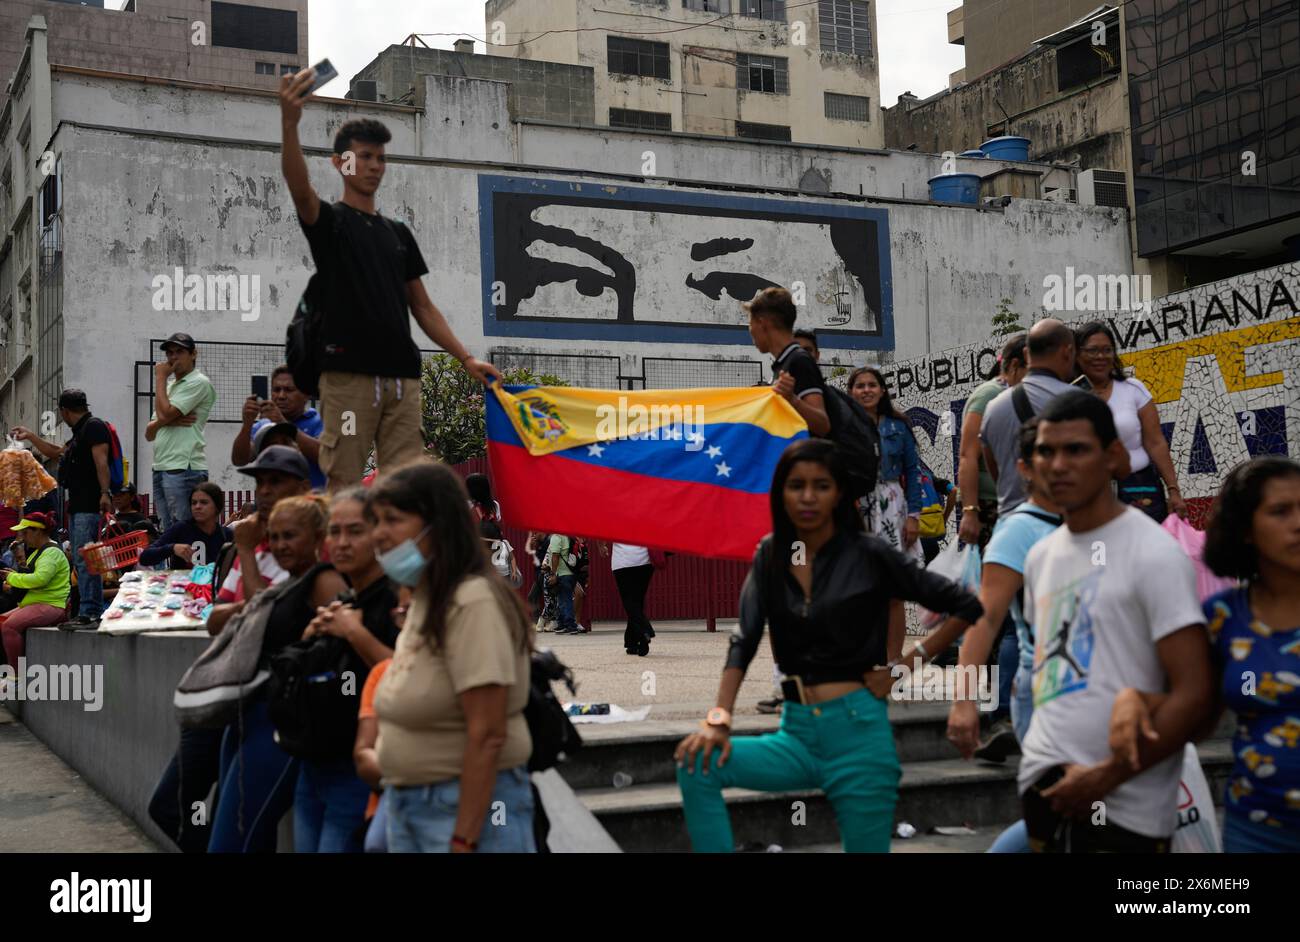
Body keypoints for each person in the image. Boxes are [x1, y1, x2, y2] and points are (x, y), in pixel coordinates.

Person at [674, 439, 983, 852]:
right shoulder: (771, 555)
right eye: (795, 485)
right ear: (780, 492)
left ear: (838, 493)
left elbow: (966, 604)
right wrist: (718, 717)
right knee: (698, 765)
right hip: (796, 733)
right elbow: (743, 639)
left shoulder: (869, 554)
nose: (807, 496)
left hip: (859, 736)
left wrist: (902, 667)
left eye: (821, 485)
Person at [279, 69, 500, 492]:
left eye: (380, 157)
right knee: (343, 482)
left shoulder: (397, 233)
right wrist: (290, 122)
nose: (375, 166)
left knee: (403, 488)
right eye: (364, 156)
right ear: (340, 161)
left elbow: (423, 307)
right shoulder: (330, 223)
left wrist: (465, 357)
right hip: (346, 377)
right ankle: (343, 559)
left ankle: (395, 561)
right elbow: (298, 184)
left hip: (403, 377)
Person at [1015, 390, 1212, 853]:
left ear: (1114, 458)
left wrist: (1106, 774)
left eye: (1076, 450)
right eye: (1046, 451)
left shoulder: (1154, 554)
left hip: (1126, 806)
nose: (1058, 464)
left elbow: (1196, 693)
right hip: (1045, 790)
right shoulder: (1040, 555)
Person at [1115, 456, 1300, 852]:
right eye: (1281, 512)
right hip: (1256, 828)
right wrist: (1137, 701)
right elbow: (1197, 712)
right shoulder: (1226, 616)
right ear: (1246, 530)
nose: (1298, 523)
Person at [368, 462, 536, 853]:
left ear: (438, 526)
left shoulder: (471, 601)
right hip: (412, 805)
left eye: (393, 520)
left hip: (458, 812)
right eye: (376, 521)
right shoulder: (426, 598)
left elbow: (488, 732)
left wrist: (464, 838)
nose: (379, 534)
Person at [147, 450, 310, 854]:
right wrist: (252, 603)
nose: (266, 491)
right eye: (261, 483)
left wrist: (251, 592)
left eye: (277, 481)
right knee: (172, 806)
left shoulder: (298, 551)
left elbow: (267, 622)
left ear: (305, 490)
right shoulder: (247, 543)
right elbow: (216, 617)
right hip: (225, 694)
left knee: (240, 829)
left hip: (269, 700)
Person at [207, 495, 347, 853]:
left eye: (291, 536)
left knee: (233, 842)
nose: (282, 545)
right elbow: (219, 618)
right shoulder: (287, 586)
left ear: (318, 537)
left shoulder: (324, 582)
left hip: (285, 726)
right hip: (251, 714)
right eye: (277, 536)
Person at [294, 488, 401, 853]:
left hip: (356, 770)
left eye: (355, 531)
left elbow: (407, 677)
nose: (341, 542)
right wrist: (311, 638)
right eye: (334, 532)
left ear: (380, 534)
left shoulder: (397, 601)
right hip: (313, 764)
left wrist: (354, 633)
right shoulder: (343, 600)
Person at [12, 389, 114, 629]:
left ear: (64, 411)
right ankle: (89, 611)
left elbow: (102, 461)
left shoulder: (94, 427)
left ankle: (91, 612)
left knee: (85, 559)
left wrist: (104, 493)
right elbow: (57, 453)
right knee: (84, 558)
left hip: (89, 504)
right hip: (79, 504)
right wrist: (32, 437)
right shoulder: (80, 433)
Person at [1072, 321, 1186, 523]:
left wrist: (1173, 490)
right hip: (1090, 493)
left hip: (1140, 490)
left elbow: (1155, 442)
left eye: (1107, 350)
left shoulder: (1133, 389)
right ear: (1077, 354)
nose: (1100, 357)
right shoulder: (1068, 396)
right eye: (1092, 350)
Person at [980, 319, 1079, 516]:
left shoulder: (993, 408)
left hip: (1012, 520)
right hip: (1063, 521)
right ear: (1067, 352)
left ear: (1027, 353)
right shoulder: (1080, 401)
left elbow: (994, 466)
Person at [957, 332, 1027, 548]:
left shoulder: (1020, 396)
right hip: (988, 506)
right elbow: (968, 455)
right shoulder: (990, 395)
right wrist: (970, 512)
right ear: (1015, 365)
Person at [145, 333, 217, 532]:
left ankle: (192, 566)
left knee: (185, 531)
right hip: (161, 466)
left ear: (193, 354)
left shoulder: (198, 382)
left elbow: (165, 413)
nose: (173, 357)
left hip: (183, 467)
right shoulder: (169, 387)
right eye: (169, 353)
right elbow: (149, 432)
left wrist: (159, 377)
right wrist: (167, 420)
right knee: (169, 532)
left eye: (179, 352)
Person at [746, 286, 830, 437]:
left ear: (762, 323)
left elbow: (822, 424)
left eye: (750, 324)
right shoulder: (784, 363)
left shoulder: (799, 361)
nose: (750, 331)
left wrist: (792, 399)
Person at [233, 366, 326, 490]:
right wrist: (247, 424)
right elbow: (239, 460)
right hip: (272, 505)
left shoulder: (320, 422)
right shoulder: (263, 425)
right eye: (276, 390)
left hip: (309, 504)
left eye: (289, 390)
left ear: (306, 395)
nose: (281, 396)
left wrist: (283, 425)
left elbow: (326, 457)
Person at [0, 513, 72, 667]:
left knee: (8, 626)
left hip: (50, 604)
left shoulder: (51, 552)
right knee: (2, 621)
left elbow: (39, 579)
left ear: (38, 531)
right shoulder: (39, 552)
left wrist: (12, 578)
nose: (23, 538)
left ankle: (16, 677)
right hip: (36, 603)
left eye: (25, 533)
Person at [138, 482, 231, 570]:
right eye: (194, 503)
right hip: (183, 586)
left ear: (217, 506)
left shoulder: (227, 535)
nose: (197, 507)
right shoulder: (181, 529)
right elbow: (144, 557)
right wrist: (172, 548)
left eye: (204, 502)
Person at [612, 542, 656, 657]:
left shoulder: (614, 522)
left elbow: (601, 531)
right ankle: (632, 643)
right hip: (645, 561)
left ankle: (645, 630)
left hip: (622, 561)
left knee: (630, 602)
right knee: (637, 602)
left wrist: (601, 546)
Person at [547, 532, 580, 635]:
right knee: (562, 600)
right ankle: (562, 624)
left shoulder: (557, 537)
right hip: (571, 573)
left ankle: (571, 625)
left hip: (562, 573)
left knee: (565, 600)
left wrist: (553, 574)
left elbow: (555, 556)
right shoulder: (569, 536)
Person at [525, 530, 557, 632]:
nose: (534, 535)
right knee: (532, 597)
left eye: (535, 533)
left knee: (550, 598)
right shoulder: (539, 543)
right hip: (539, 575)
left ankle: (552, 621)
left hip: (545, 573)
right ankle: (536, 622)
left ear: (541, 532)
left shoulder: (548, 541)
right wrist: (533, 546)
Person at [480, 519, 521, 587]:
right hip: (493, 577)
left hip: (506, 576)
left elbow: (512, 558)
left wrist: (514, 571)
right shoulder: (487, 545)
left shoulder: (505, 543)